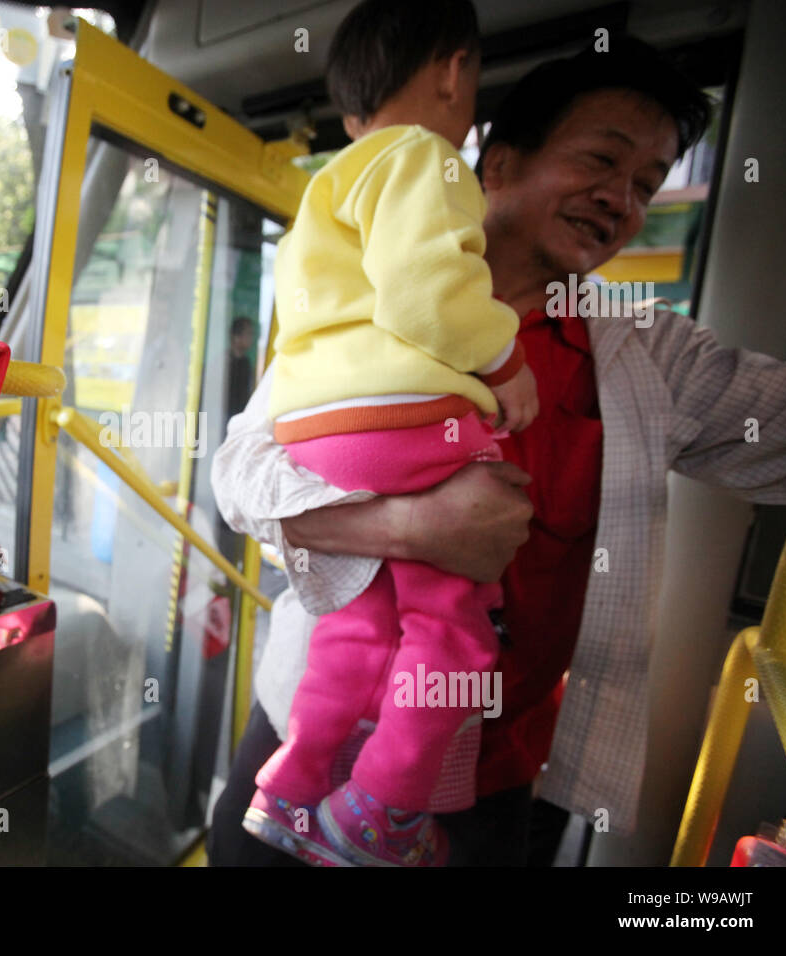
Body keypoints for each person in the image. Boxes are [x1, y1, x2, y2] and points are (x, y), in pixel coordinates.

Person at [209, 34, 786, 866]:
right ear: (500, 161)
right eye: (602, 159)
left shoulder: (646, 354)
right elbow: (237, 476)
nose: (619, 199)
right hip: (312, 728)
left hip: (495, 780)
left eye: (646, 184)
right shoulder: (372, 292)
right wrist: (409, 528)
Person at [247, 0, 539, 868]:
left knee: (355, 620)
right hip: (405, 420)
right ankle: (380, 810)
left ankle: (293, 782)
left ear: (348, 111)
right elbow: (426, 297)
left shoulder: (327, 188)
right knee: (454, 629)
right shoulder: (428, 157)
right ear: (454, 73)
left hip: (318, 435)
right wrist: (504, 363)